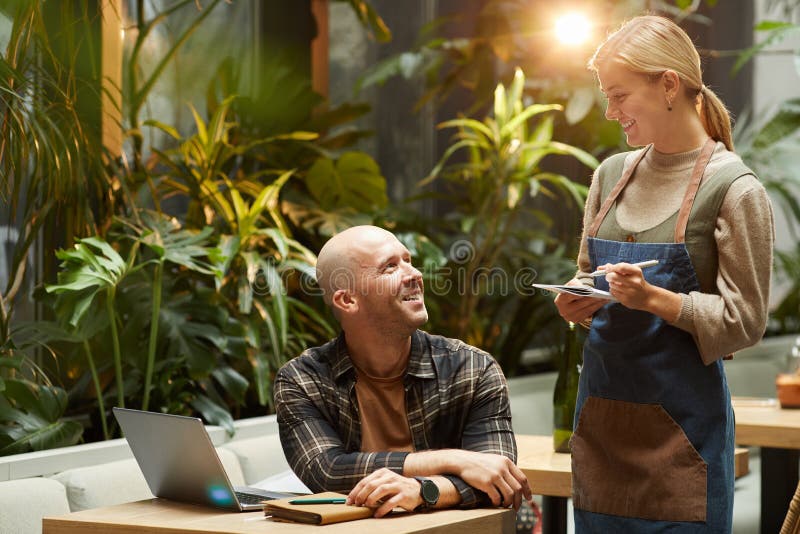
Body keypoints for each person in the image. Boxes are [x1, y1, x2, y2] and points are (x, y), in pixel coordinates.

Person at [553, 15, 774, 533]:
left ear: (668, 85)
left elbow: (746, 321)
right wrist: (577, 302)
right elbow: (587, 276)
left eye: (619, 95)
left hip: (683, 445)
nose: (610, 112)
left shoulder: (735, 190)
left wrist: (655, 299)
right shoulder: (610, 176)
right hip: (602, 436)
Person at [274, 225, 531, 518]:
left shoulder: (472, 369)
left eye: (408, 260)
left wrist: (422, 490)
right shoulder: (303, 380)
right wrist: (454, 461)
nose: (414, 274)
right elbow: (327, 471)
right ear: (348, 300)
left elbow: (498, 480)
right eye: (390, 267)